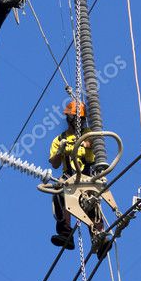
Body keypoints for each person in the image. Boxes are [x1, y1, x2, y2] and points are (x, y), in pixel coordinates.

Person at [48, 100, 95, 249]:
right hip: (69, 176)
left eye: (81, 119)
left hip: (87, 176)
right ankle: (65, 234)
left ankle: (98, 237)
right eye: (76, 118)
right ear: (69, 118)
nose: (78, 121)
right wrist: (61, 151)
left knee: (91, 202)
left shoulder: (89, 134)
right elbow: (54, 163)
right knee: (58, 192)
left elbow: (93, 143)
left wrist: (81, 144)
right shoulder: (60, 139)